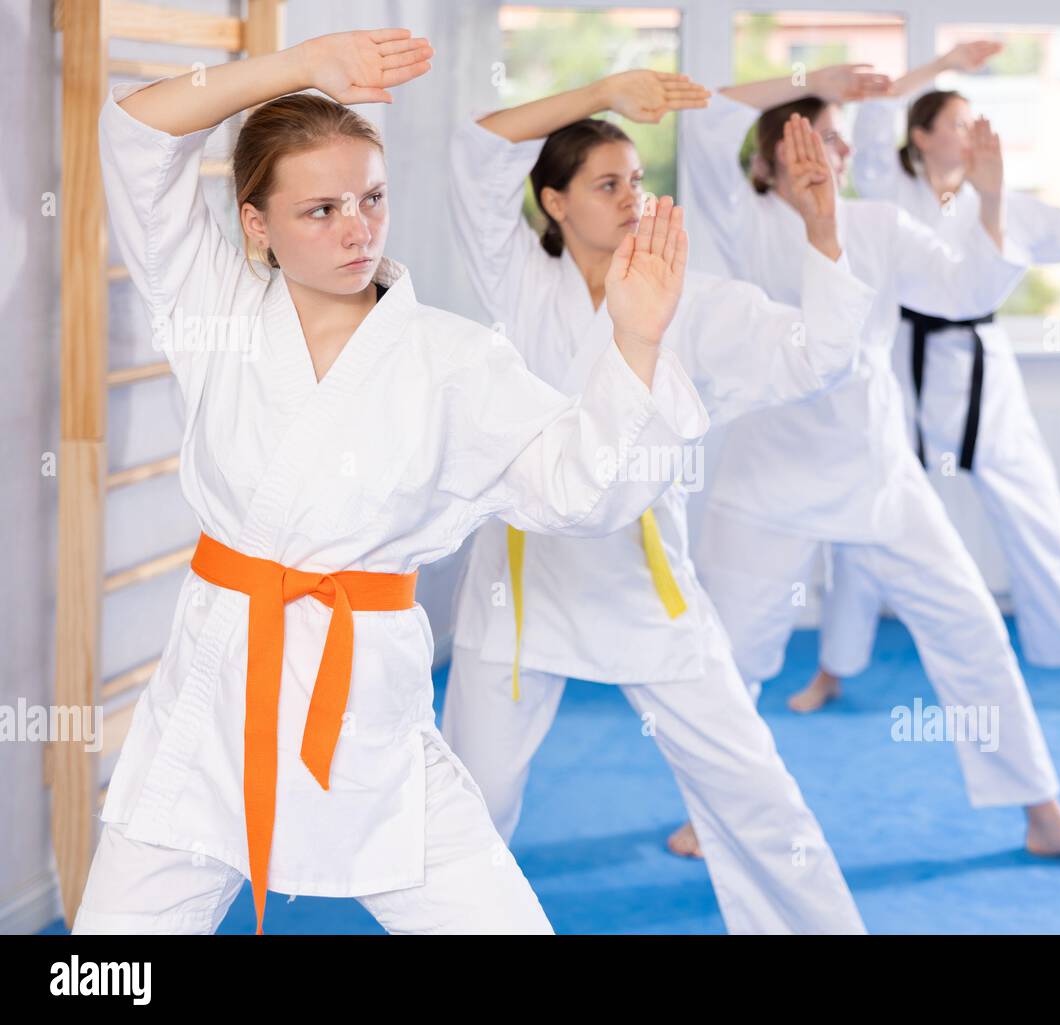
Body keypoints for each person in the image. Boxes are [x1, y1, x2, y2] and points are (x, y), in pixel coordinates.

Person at [73, 29, 710, 936]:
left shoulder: (454, 362)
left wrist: (637, 341)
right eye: (320, 210)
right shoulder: (209, 303)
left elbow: (580, 489)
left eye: (371, 199)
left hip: (371, 722)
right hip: (211, 714)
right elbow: (134, 132)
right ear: (256, 225)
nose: (357, 230)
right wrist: (296, 68)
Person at [673, 64, 1060, 873]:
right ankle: (707, 814)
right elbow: (709, 114)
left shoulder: (879, 224)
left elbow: (965, 289)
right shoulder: (737, 218)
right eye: (816, 132)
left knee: (971, 630)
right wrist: (807, 80)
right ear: (770, 157)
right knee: (732, 658)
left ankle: (1044, 811)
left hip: (877, 473)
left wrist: (992, 200)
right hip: (766, 483)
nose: (840, 144)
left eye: (839, 133)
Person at [440, 71, 872, 934]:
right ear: (553, 202)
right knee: (465, 812)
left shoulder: (691, 298)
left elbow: (816, 353)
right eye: (608, 184)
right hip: (520, 589)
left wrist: (823, 228)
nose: (633, 198)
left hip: (647, 587)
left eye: (638, 179)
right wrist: (602, 90)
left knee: (758, 797)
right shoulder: (521, 281)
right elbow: (480, 147)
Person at [794, 45, 1060, 724]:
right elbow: (877, 108)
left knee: (1039, 517)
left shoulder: (1003, 201)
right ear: (922, 136)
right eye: (959, 121)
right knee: (864, 512)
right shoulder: (888, 189)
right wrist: (941, 62)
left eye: (979, 123)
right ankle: (833, 667)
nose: (975, 134)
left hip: (981, 374)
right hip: (899, 368)